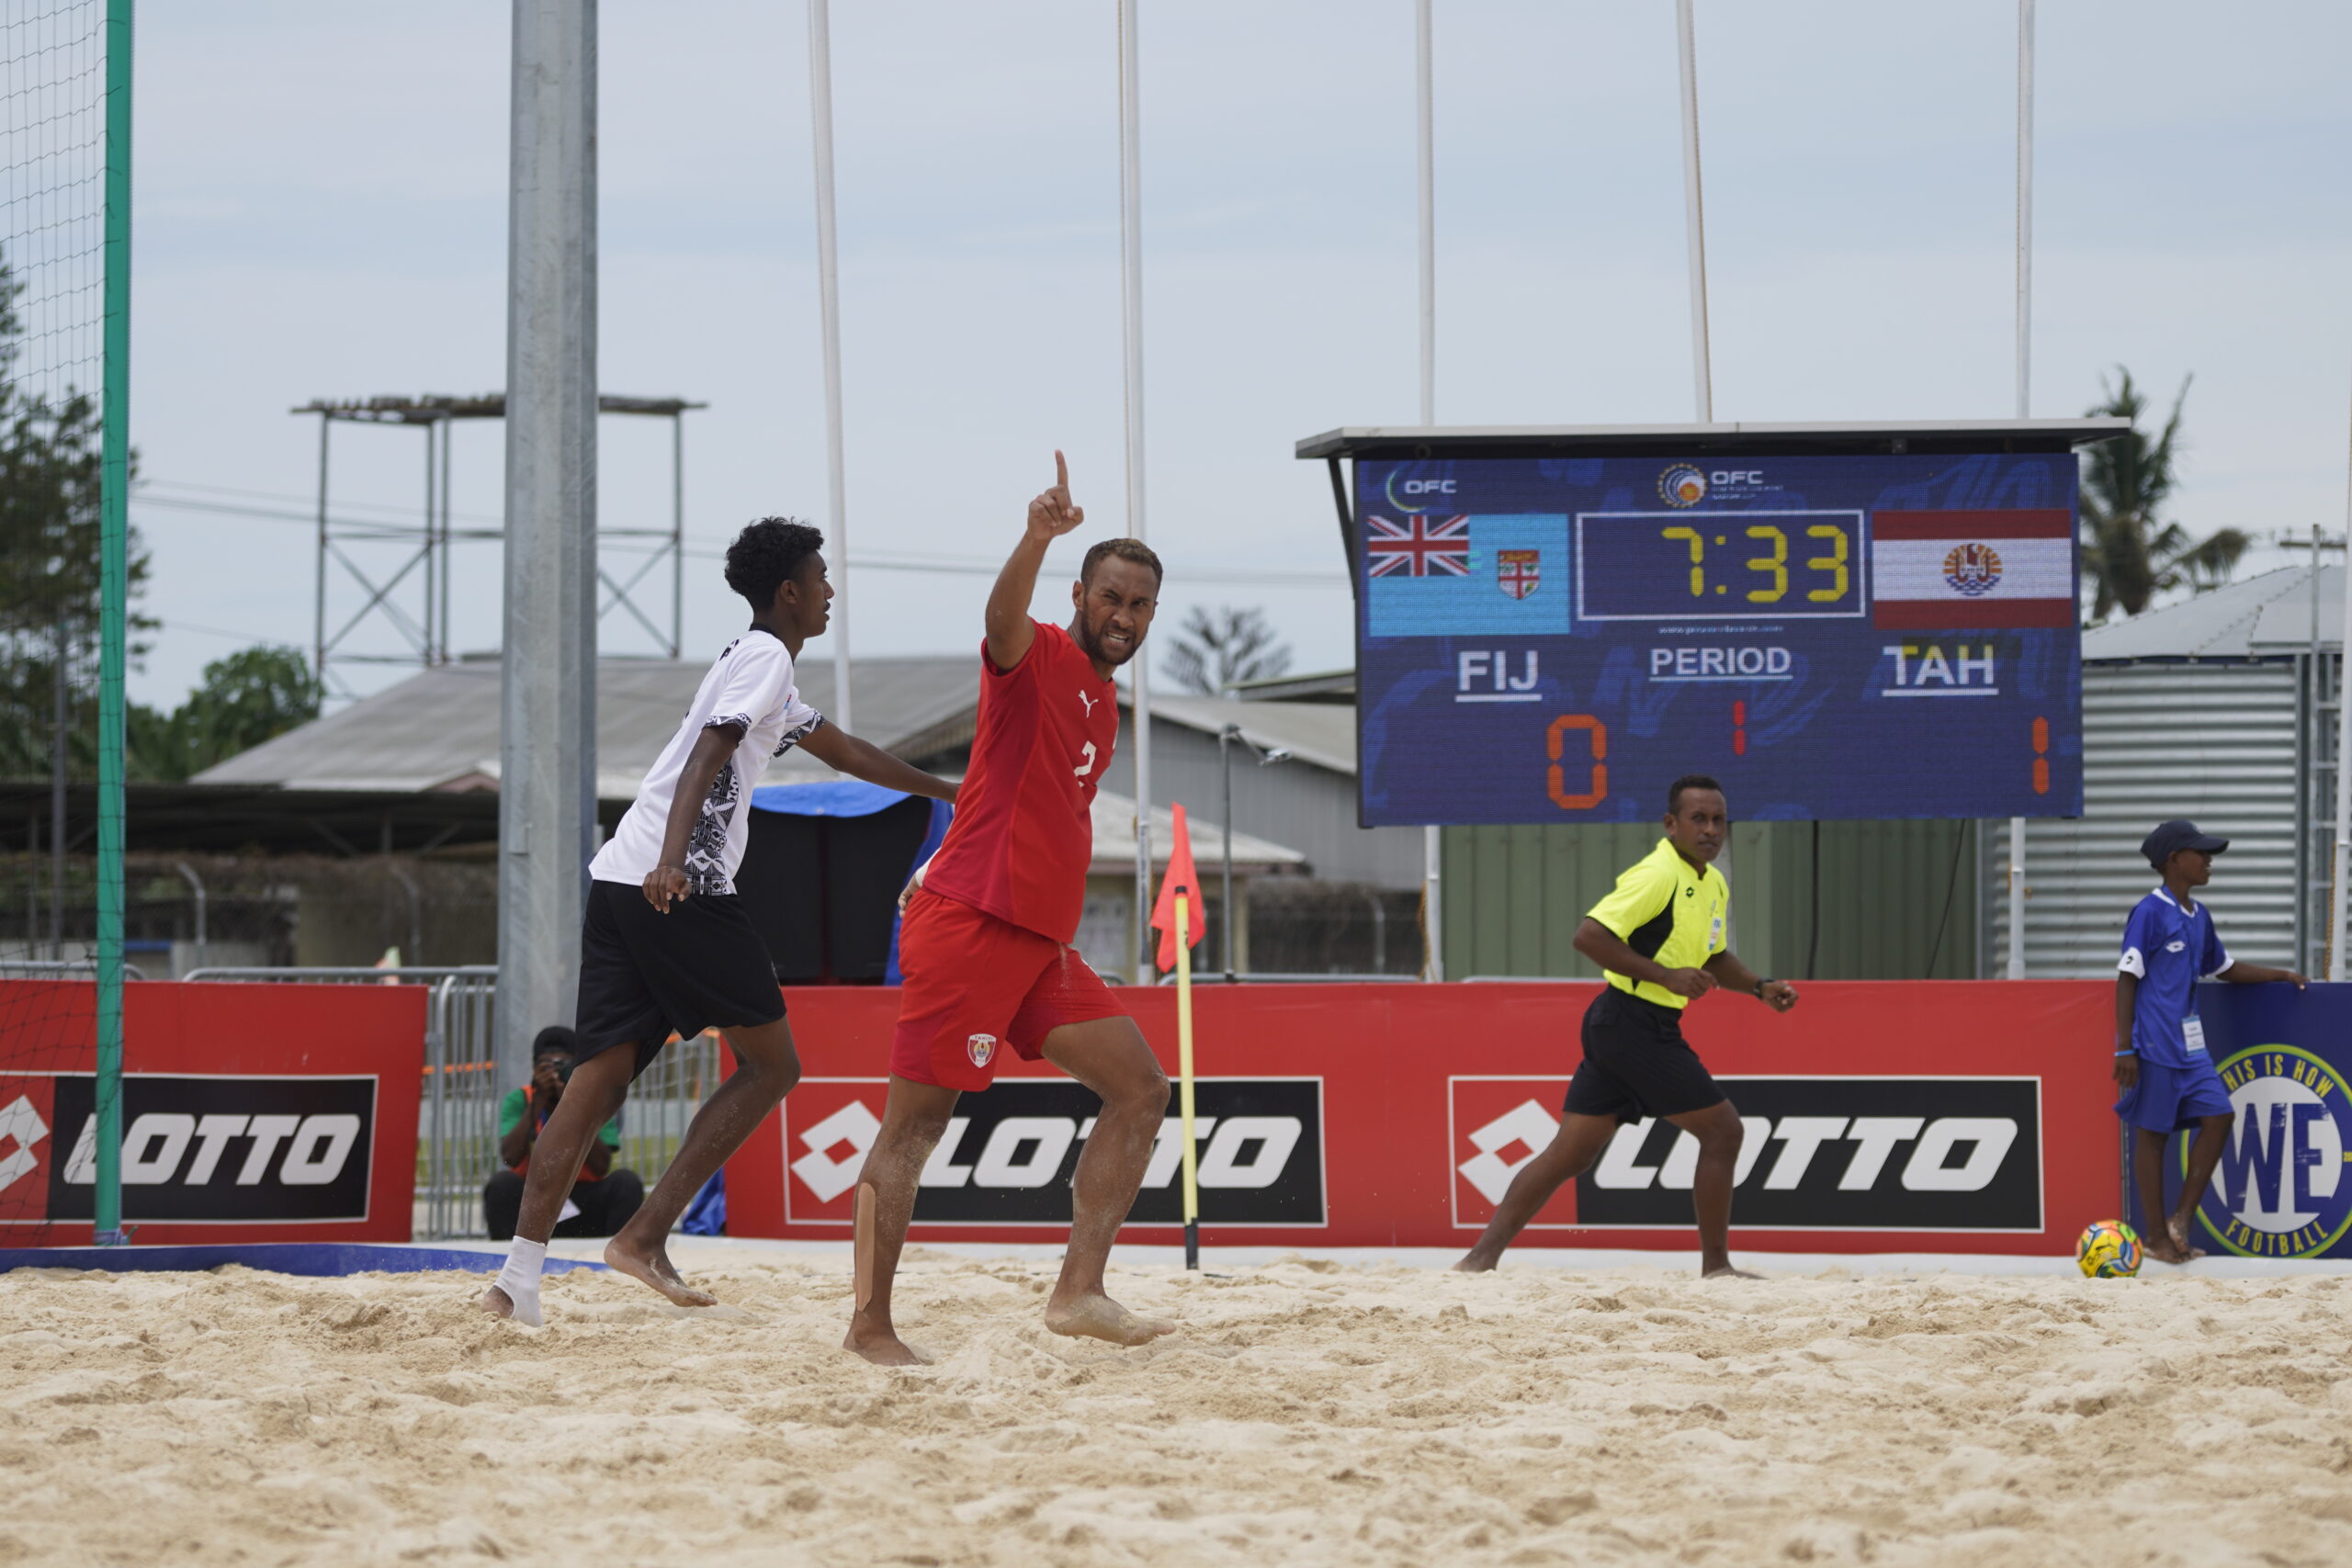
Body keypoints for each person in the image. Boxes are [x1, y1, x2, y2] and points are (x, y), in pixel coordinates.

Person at [481, 518, 958, 1325]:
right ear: (789, 592)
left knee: (595, 1082)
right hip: (683, 885)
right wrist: (676, 860)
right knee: (773, 1066)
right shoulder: (767, 658)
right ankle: (643, 1235)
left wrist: (949, 788)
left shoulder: (753, 661)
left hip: (618, 877)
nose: (831, 590)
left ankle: (516, 1282)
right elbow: (710, 752)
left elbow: (843, 750)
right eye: (821, 577)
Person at [843, 452, 1173, 1366]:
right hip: (972, 922)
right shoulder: (1035, 655)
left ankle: (1079, 1292)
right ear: (1080, 593)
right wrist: (1034, 535)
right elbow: (997, 620)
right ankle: (869, 1326)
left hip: (1039, 940)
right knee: (912, 1126)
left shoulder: (1104, 702)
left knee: (1141, 1090)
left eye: (1140, 605)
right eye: (1111, 597)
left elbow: (1023, 803)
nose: (1124, 616)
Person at [1454, 775, 1797, 1279]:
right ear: (1670, 824)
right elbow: (1588, 936)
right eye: (1697, 819)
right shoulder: (1656, 874)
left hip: (1623, 1024)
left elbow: (1714, 956)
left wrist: (1759, 985)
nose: (1709, 829)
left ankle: (1478, 1261)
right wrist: (1665, 975)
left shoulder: (1712, 881)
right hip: (1632, 1023)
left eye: (1718, 819)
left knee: (1569, 1155)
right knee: (1724, 1133)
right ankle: (1717, 1268)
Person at [2115, 818, 2308, 1264]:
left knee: (2220, 1116)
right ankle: (2156, 1240)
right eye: (2200, 853)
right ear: (2173, 861)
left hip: (2192, 1048)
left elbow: (2223, 967)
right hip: (2155, 1046)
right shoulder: (2149, 911)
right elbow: (2127, 979)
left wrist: (2279, 974)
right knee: (2153, 1137)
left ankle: (2180, 1220)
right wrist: (2124, 1048)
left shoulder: (2199, 916)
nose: (2209, 861)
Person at [483, 1027, 644, 1241]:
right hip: (533, 1201)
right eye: (548, 1067)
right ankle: (505, 1256)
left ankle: (615, 1251)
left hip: (583, 1200)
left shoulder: (593, 1099)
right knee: (501, 1185)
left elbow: (601, 1165)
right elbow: (510, 1157)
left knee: (626, 1182)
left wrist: (573, 1104)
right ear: (534, 1068)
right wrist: (539, 1100)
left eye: (562, 1066)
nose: (555, 1074)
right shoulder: (520, 1099)